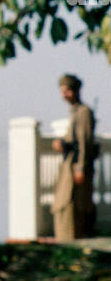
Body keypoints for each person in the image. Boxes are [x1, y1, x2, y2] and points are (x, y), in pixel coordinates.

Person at [52, 74, 96, 240]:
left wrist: (80, 168)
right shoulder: (75, 111)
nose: (64, 95)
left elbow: (84, 142)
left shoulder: (83, 112)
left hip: (76, 165)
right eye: (62, 91)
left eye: (67, 91)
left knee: (76, 204)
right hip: (70, 163)